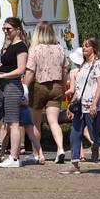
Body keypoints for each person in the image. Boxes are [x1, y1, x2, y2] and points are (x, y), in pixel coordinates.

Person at [26, 21, 69, 164]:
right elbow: (65, 70)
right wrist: (62, 87)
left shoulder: (35, 49)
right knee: (53, 121)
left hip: (38, 86)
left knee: (35, 123)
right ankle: (61, 148)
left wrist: (25, 87)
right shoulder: (60, 48)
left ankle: (38, 154)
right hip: (56, 86)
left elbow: (31, 71)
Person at [0, 17, 31, 168]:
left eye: (8, 29)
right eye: (4, 29)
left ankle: (14, 158)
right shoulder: (10, 46)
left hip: (13, 87)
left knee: (14, 123)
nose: (6, 32)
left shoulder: (21, 47)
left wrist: (2, 76)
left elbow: (20, 70)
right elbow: (6, 66)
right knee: (9, 122)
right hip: (7, 87)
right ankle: (7, 155)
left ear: (18, 30)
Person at [66, 38, 100, 174]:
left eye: (87, 46)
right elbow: (79, 88)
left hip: (91, 105)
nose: (84, 48)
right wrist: (71, 105)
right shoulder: (83, 66)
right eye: (83, 46)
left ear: (94, 48)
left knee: (95, 137)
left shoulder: (99, 64)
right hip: (80, 106)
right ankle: (75, 164)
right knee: (75, 133)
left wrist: (94, 103)